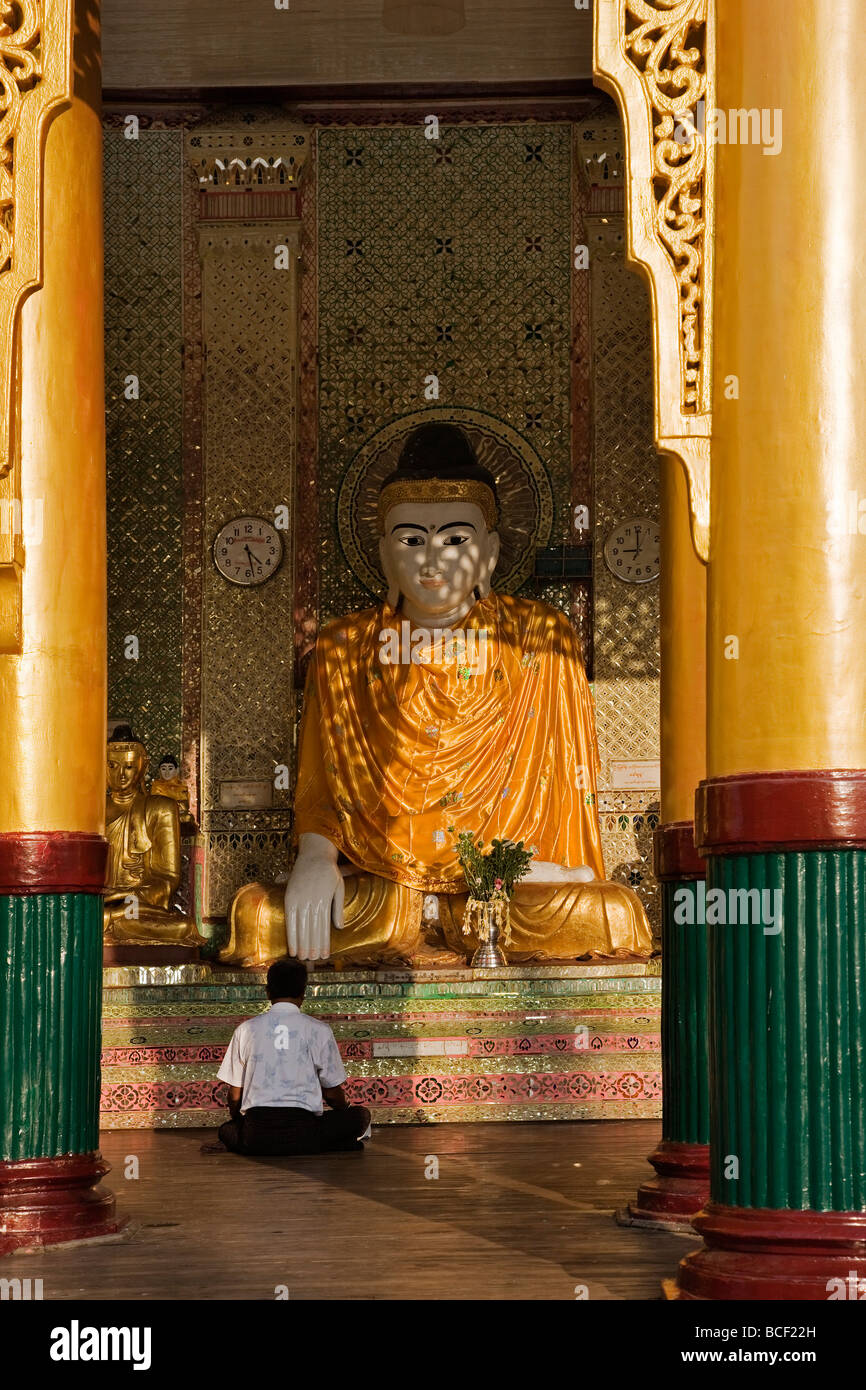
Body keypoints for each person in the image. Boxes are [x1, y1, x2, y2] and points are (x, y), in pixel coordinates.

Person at [215, 958, 371, 1155]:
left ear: (268, 992)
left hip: (256, 1134)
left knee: (226, 1130)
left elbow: (234, 1095)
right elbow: (332, 1094)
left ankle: (251, 1142)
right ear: (303, 993)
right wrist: (345, 1111)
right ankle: (333, 1143)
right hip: (305, 1131)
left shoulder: (245, 1030)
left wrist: (238, 1121)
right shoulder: (319, 1030)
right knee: (360, 1116)